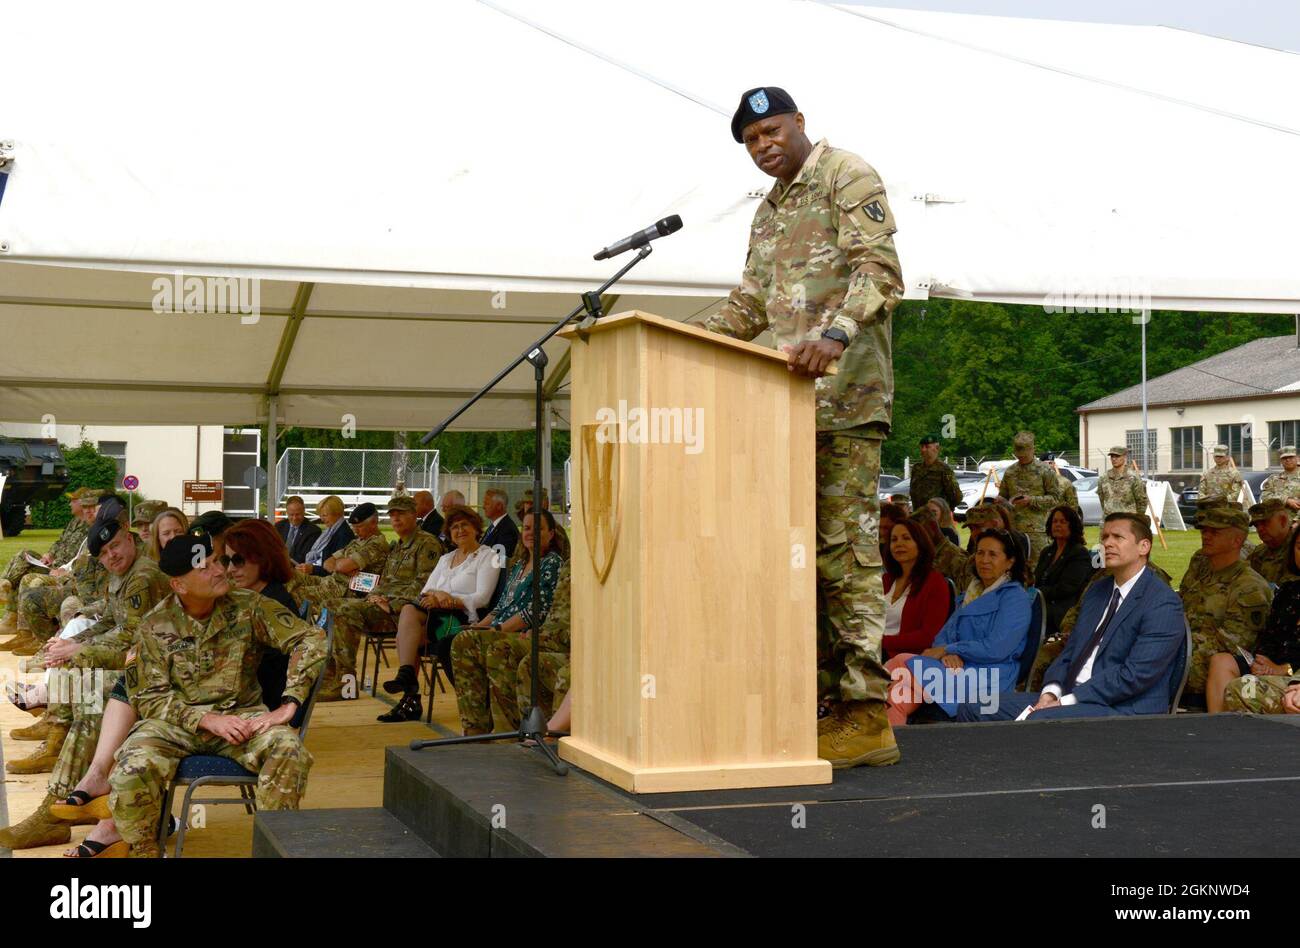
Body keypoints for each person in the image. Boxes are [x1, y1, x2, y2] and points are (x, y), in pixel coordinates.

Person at [699, 86, 904, 768]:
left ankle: (867, 714)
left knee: (846, 556)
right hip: (784, 414)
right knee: (802, 563)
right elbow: (749, 304)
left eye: (771, 129)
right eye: (751, 139)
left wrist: (836, 336)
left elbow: (880, 271)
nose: (763, 144)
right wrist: (671, 338)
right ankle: (817, 703)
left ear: (800, 124)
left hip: (846, 401)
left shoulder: (847, 175)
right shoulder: (768, 212)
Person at [106, 532, 326, 857]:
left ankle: (273, 849)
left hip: (242, 720)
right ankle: (144, 851)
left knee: (289, 749)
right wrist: (206, 719)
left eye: (217, 561)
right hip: (176, 726)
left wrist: (290, 702)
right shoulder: (154, 625)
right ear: (179, 585)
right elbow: (149, 698)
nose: (220, 571)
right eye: (205, 568)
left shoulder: (249, 606)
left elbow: (311, 639)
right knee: (129, 770)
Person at [0, 497, 170, 850]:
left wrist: (78, 650)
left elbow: (131, 639)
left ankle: (55, 809)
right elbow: (109, 616)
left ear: (128, 535)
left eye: (116, 547)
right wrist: (69, 638)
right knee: (81, 679)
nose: (112, 556)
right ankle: (66, 769)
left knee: (91, 693)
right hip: (140, 669)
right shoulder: (123, 573)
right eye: (105, 553)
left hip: (158, 677)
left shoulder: (143, 576)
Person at [956, 513, 1186, 721]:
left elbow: (1135, 675)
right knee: (975, 706)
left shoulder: (1162, 601)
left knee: (1039, 722)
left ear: (1143, 546)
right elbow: (1070, 650)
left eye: (1118, 537)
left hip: (1123, 708)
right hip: (1069, 697)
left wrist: (1066, 701)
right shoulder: (1098, 590)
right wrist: (1050, 692)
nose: (1107, 543)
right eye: (1105, 536)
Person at [885, 529, 1031, 724]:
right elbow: (943, 635)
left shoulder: (1015, 598)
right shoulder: (971, 594)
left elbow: (997, 648)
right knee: (895, 697)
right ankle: (891, 750)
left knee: (901, 661)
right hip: (955, 671)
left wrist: (951, 649)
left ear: (1010, 562)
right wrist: (947, 653)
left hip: (987, 678)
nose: (984, 560)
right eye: (980, 553)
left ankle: (861, 694)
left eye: (993, 554)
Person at [381, 505, 501, 722]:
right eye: (454, 527)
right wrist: (438, 595)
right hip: (435, 614)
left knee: (408, 632)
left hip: (464, 617)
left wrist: (452, 599)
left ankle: (410, 692)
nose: (460, 530)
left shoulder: (489, 556)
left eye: (464, 525)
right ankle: (407, 679)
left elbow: (483, 597)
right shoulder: (447, 558)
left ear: (476, 527)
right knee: (409, 611)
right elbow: (425, 591)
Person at [319, 495, 443, 700]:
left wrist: (391, 605)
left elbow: (424, 584)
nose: (395, 520)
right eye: (392, 515)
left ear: (414, 516)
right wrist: (374, 597)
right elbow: (383, 581)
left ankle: (344, 683)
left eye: (401, 514)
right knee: (330, 605)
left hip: (404, 614)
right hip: (381, 605)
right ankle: (330, 676)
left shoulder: (427, 544)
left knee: (344, 610)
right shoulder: (397, 547)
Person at [451, 511, 564, 734]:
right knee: (462, 639)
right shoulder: (519, 565)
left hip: (522, 632)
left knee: (483, 645)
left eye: (537, 528)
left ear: (550, 534)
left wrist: (497, 629)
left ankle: (509, 728)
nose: (530, 533)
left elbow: (536, 611)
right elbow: (500, 607)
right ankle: (475, 727)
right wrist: (479, 626)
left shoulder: (551, 564)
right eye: (527, 528)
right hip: (500, 626)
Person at [1179, 505, 1272, 697]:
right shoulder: (1201, 574)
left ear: (1236, 540)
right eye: (1204, 530)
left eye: (1215, 532)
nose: (1206, 536)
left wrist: (1171, 650)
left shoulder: (1249, 587)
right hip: (1182, 652)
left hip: (1210, 666)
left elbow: (1235, 645)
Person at [222, 518, 313, 711]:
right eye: (226, 560)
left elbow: (260, 671)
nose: (230, 569)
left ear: (261, 557)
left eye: (238, 560)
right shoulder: (254, 595)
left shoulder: (273, 604)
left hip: (257, 706)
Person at [1209, 523, 1300, 713]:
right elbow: (1271, 633)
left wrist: (1284, 669)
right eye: (1299, 547)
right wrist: (1263, 661)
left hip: (1292, 672)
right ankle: (1217, 731)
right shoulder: (1289, 591)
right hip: (1272, 666)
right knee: (1221, 661)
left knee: (1244, 689)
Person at [0, 490, 99, 651]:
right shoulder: (74, 522)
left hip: (65, 571)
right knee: (25, 554)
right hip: (55, 565)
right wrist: (50, 554)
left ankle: (32, 636)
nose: (70, 504)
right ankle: (5, 588)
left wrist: (62, 569)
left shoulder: (93, 529)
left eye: (73, 501)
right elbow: (61, 542)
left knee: (30, 580)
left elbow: (80, 559)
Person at [880, 518, 950, 660]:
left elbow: (928, 636)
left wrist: (880, 642)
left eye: (906, 538)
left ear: (920, 544)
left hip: (905, 659)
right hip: (874, 651)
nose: (899, 543)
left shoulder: (935, 583)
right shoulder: (885, 580)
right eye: (894, 540)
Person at [299, 502, 390, 604]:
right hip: (331, 582)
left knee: (294, 595)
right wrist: (343, 567)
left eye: (359, 527)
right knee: (292, 578)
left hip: (343, 590)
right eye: (354, 527)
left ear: (373, 523)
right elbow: (327, 563)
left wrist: (340, 566)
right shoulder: (357, 541)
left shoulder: (376, 544)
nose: (356, 531)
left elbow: (341, 566)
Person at [998, 431, 1062, 563]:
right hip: (1013, 531)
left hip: (1037, 532)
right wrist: (1002, 502)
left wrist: (1031, 500)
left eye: (1024, 455)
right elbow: (1002, 496)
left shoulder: (1045, 471)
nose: (1021, 458)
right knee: (1013, 568)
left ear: (1033, 449)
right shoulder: (1010, 472)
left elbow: (1055, 499)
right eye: (1018, 455)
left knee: (1037, 570)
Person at [1034, 505, 1095, 639]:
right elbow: (1036, 579)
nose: (1057, 525)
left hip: (1062, 610)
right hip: (1041, 603)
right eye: (1055, 521)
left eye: (1063, 522)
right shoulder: (1047, 552)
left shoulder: (1079, 553)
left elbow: (1067, 588)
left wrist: (1037, 592)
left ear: (1072, 526)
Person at [911, 505, 968, 589]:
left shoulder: (957, 558)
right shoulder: (923, 555)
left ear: (933, 527)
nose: (917, 539)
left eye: (920, 533)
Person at [296, 495, 354, 576]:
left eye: (325, 515)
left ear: (337, 513)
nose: (322, 519)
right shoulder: (331, 531)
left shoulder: (344, 534)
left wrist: (313, 569)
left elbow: (335, 569)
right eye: (321, 516)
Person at [1246, 499, 1293, 586]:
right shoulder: (1258, 553)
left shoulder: (1296, 550)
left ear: (1283, 521)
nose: (1259, 529)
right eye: (1256, 525)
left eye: (1265, 523)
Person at [909, 435, 961, 512]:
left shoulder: (943, 469)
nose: (923, 450)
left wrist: (944, 510)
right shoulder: (916, 468)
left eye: (927, 447)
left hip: (936, 517)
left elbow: (956, 497)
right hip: (919, 515)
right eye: (921, 447)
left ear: (937, 448)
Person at [1096, 445, 1149, 517]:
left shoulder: (1133, 477)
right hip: (1109, 520)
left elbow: (1141, 501)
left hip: (1128, 520)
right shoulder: (1104, 478)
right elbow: (1102, 498)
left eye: (1117, 456)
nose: (1114, 459)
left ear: (1124, 457)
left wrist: (1135, 518)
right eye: (1112, 456)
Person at [275, 496, 321, 564]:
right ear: (287, 512)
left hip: (297, 569)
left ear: (303, 511)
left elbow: (303, 557)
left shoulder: (313, 531)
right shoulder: (278, 527)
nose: (294, 518)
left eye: (298, 514)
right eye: (291, 514)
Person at [1260, 446, 1300, 517]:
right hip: (1277, 522)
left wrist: (1297, 522)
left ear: (1297, 458)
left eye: (1291, 457)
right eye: (1284, 458)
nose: (1287, 460)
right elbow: (1265, 497)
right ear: (1281, 461)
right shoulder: (1274, 478)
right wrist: (1286, 500)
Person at [1046, 455, 1081, 521]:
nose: (1048, 465)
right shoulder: (1035, 482)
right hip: (1039, 524)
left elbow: (1073, 505)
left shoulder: (1065, 482)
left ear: (1054, 465)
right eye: (1045, 463)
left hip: (1059, 521)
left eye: (1050, 463)